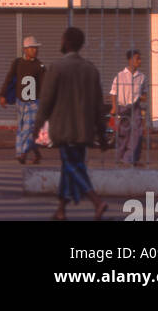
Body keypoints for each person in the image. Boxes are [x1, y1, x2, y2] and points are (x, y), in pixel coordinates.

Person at [34, 27, 108, 221]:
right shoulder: (90, 69)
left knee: (72, 167)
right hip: (84, 130)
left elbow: (46, 101)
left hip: (64, 130)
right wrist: (102, 134)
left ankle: (96, 201)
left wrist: (36, 128)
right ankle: (61, 210)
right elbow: (99, 106)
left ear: (66, 42)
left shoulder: (57, 67)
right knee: (70, 168)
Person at [0, 36, 45, 165]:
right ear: (25, 49)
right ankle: (37, 154)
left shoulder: (39, 65)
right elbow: (9, 78)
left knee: (28, 128)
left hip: (34, 102)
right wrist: (2, 95)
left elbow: (45, 84)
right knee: (22, 128)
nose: (35, 50)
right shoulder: (17, 63)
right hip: (20, 101)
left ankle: (22, 153)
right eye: (32, 48)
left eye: (36, 48)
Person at [109, 49, 146, 166]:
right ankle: (121, 157)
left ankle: (131, 158)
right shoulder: (120, 76)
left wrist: (142, 98)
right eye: (137, 59)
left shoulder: (142, 77)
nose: (139, 61)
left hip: (135, 108)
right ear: (130, 60)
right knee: (123, 133)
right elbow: (113, 92)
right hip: (123, 107)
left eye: (140, 59)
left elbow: (144, 93)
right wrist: (114, 107)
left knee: (137, 133)